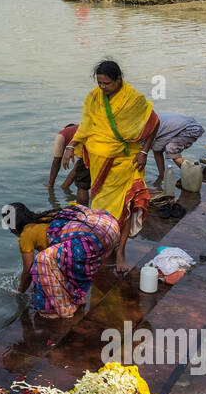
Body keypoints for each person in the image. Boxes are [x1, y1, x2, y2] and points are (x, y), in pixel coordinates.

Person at [61, 60, 159, 274]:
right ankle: (103, 245)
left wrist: (144, 152)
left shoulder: (133, 100)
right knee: (101, 210)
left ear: (118, 80)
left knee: (124, 206)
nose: (102, 87)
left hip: (127, 162)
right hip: (98, 164)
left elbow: (154, 122)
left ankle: (121, 250)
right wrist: (71, 145)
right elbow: (86, 126)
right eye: (99, 83)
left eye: (107, 83)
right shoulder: (93, 97)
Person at [4, 203, 120, 319]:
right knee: (60, 260)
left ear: (13, 228)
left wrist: (19, 292)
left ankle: (57, 309)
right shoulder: (45, 217)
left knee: (41, 262)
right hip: (108, 230)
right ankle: (77, 297)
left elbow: (28, 269)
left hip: (89, 242)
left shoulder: (26, 235)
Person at [149, 113, 204, 181]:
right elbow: (157, 151)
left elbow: (155, 149)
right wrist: (161, 175)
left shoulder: (152, 128)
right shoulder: (151, 121)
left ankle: (193, 175)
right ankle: (162, 176)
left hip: (190, 128)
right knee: (161, 149)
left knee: (171, 149)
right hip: (187, 125)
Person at [47, 122, 91, 204]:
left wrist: (50, 184)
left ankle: (83, 211)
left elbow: (56, 161)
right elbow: (77, 168)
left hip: (91, 152)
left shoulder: (61, 135)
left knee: (82, 186)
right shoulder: (81, 127)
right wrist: (64, 186)